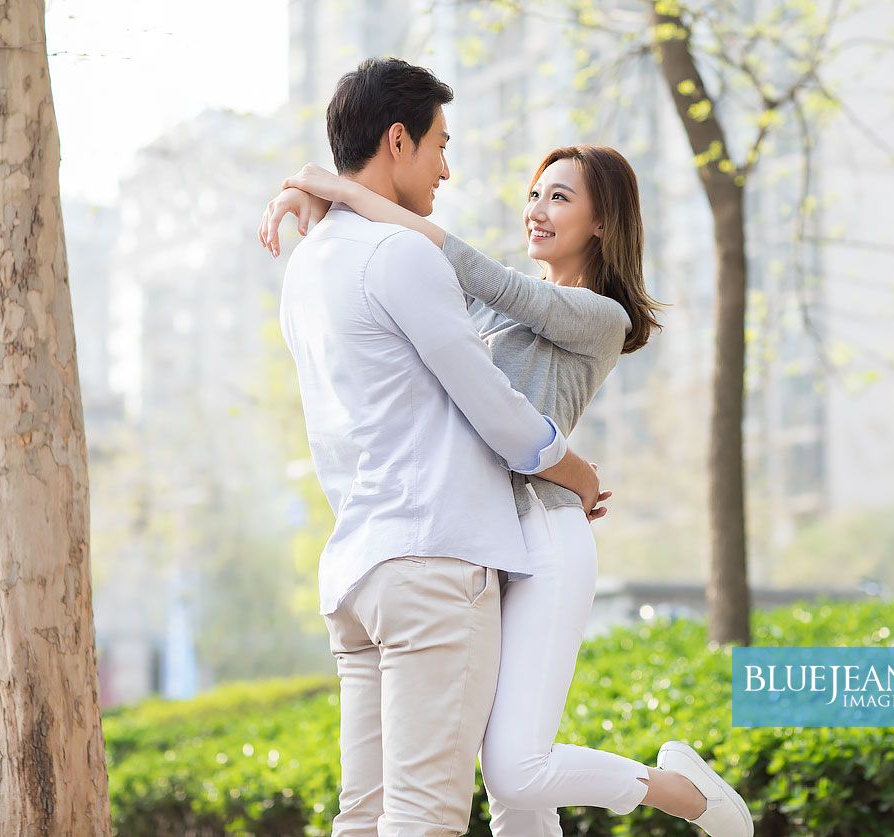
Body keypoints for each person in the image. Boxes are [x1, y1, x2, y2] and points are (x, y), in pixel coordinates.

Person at [261, 131, 754, 835]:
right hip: (478, 537)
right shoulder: (500, 310)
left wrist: (338, 188)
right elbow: (417, 287)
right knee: (513, 797)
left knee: (516, 769)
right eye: (533, 194)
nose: (537, 210)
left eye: (559, 197)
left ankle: (684, 793)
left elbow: (469, 268)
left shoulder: (601, 318)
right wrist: (318, 205)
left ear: (603, 222)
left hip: (545, 538)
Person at [270, 57, 607, 836]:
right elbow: (497, 409)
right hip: (432, 564)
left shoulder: (306, 264)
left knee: (364, 815)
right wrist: (577, 471)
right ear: (398, 141)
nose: (446, 169)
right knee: (423, 817)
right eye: (439, 146)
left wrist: (321, 194)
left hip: (357, 569)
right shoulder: (401, 254)